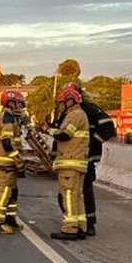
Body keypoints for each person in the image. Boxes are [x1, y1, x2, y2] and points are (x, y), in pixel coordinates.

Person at [64, 82, 117, 236]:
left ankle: (88, 222)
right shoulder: (69, 112)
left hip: (85, 157)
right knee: (71, 191)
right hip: (71, 157)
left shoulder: (89, 109)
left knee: (84, 189)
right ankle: (76, 223)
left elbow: (108, 127)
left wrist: (91, 142)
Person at [47, 84, 90, 240]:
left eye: (64, 102)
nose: (63, 105)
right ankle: (81, 226)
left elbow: (65, 135)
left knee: (69, 195)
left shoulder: (75, 115)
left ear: (70, 100)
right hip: (77, 162)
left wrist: (48, 130)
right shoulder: (80, 114)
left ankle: (70, 228)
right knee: (77, 195)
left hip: (70, 162)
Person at [0, 90, 26, 234]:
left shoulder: (2, 116)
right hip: (6, 161)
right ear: (10, 103)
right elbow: (7, 142)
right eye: (18, 104)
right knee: (4, 191)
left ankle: (10, 219)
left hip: (6, 161)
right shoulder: (7, 119)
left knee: (13, 191)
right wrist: (18, 161)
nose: (20, 108)